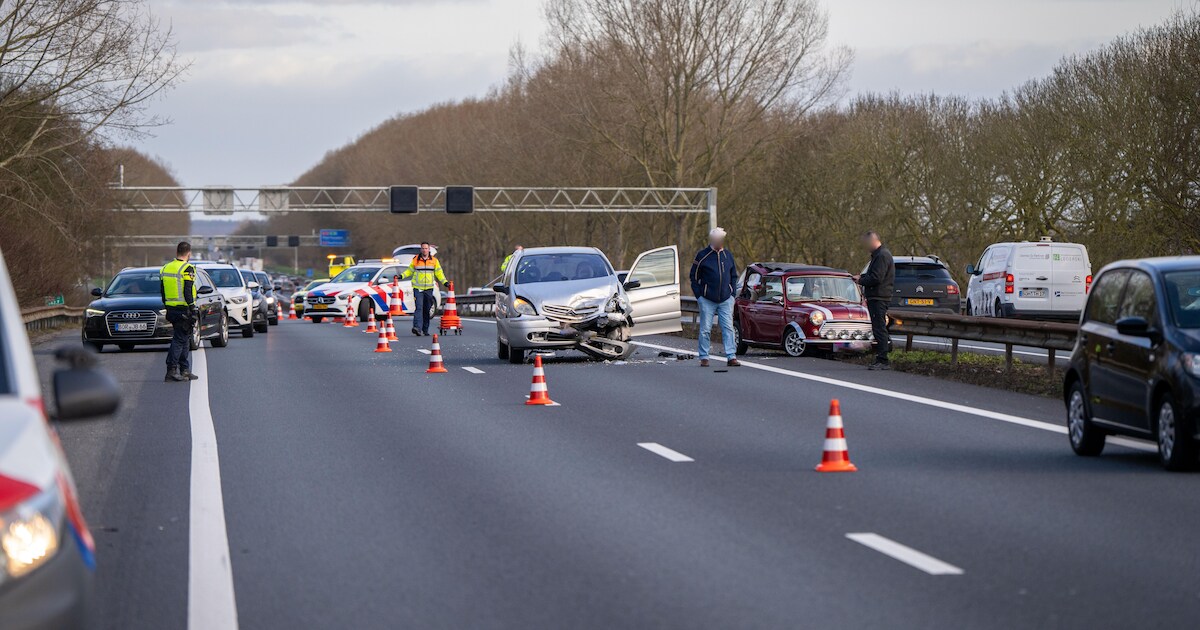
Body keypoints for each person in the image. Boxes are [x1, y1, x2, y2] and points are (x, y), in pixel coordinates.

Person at [689, 227, 740, 367]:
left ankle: (731, 356)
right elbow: (693, 276)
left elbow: (733, 275)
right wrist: (699, 295)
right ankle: (704, 356)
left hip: (726, 299)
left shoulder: (728, 255)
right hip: (707, 299)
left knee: (728, 328)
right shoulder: (702, 256)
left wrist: (732, 294)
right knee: (705, 329)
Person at [852, 231, 896, 370]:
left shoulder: (882, 256)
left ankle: (883, 359)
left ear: (872, 241)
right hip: (877, 296)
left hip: (879, 297)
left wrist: (861, 281)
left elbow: (877, 277)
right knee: (878, 327)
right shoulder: (879, 255)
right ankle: (882, 356)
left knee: (879, 328)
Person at [160, 241, 199, 382]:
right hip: (184, 308)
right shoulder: (187, 268)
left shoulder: (166, 268)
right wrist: (192, 307)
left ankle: (185, 370)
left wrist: (166, 305)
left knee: (185, 339)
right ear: (188, 253)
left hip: (171, 308)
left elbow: (163, 291)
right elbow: (187, 290)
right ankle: (171, 370)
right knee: (179, 339)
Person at [401, 242, 449, 336]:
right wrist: (401, 276)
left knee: (426, 309)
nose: (424, 250)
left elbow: (439, 273)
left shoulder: (434, 261)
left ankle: (425, 329)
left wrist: (445, 282)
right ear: (421, 249)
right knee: (419, 307)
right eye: (423, 248)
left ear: (429, 250)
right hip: (418, 288)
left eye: (426, 248)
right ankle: (417, 328)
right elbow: (409, 271)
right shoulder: (416, 260)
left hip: (429, 289)